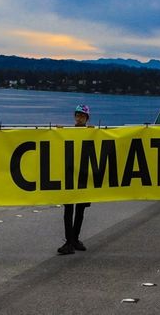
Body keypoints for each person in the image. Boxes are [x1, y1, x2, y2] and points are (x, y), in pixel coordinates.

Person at [58, 104, 93, 255]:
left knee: (80, 210)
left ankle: (75, 239)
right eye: (77, 115)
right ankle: (69, 241)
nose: (79, 118)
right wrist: (56, 132)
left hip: (84, 176)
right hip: (69, 176)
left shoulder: (91, 132)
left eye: (82, 116)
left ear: (86, 118)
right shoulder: (68, 132)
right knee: (68, 209)